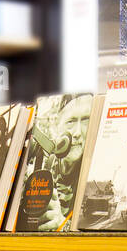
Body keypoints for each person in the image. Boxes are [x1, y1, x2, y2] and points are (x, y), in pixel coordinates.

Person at [34, 94, 92, 231]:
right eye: (71, 122)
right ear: (57, 127)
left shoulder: (92, 176)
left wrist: (63, 225)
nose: (77, 132)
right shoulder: (47, 164)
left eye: (85, 120)